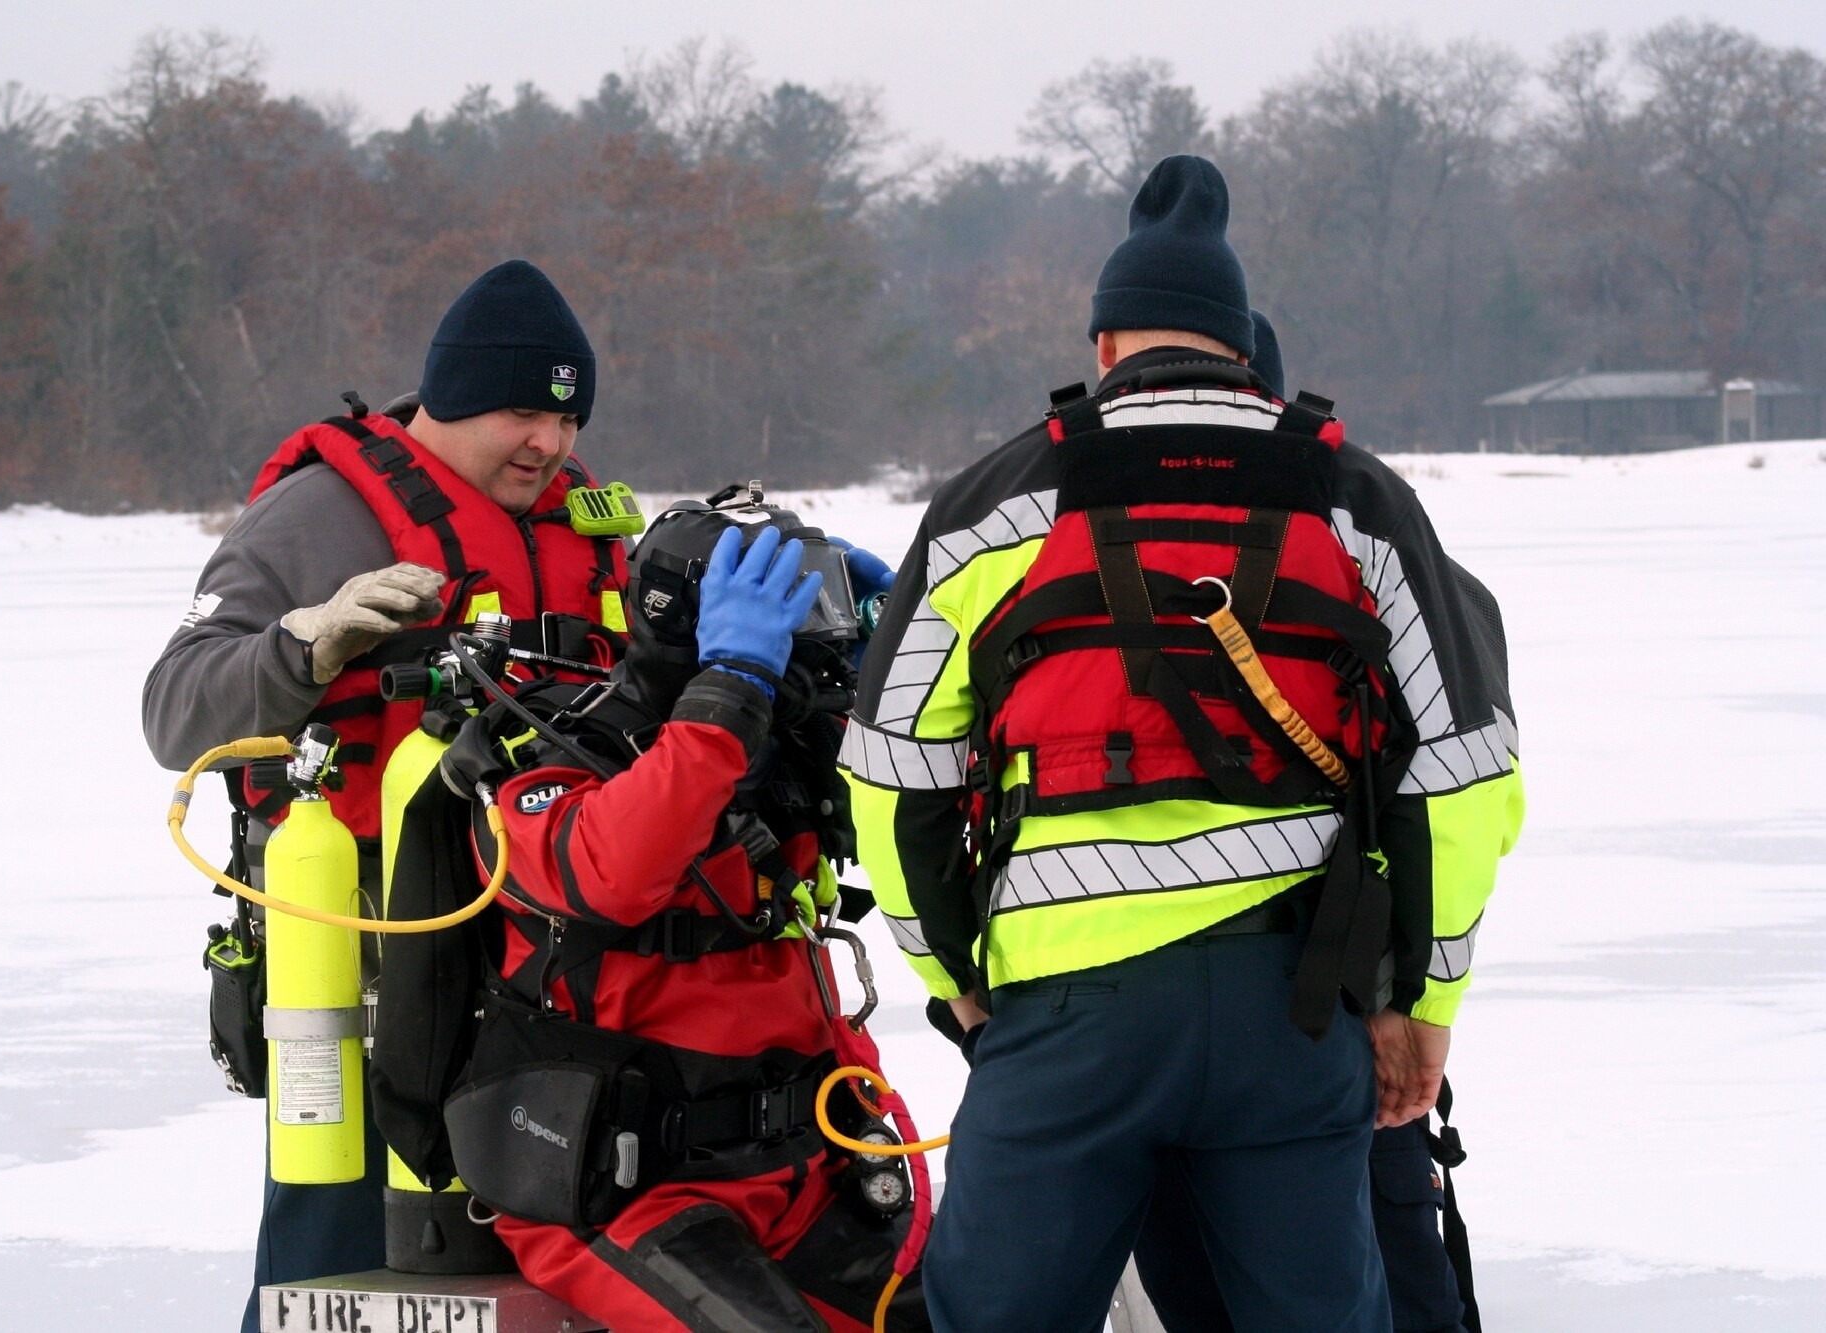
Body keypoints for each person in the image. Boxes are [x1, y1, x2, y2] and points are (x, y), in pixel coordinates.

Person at [841, 155, 1524, 1332]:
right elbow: (1459, 779)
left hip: (1063, 1020)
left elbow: (887, 771)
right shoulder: (1356, 499)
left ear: (1105, 345)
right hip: (1293, 1012)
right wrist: (1421, 999)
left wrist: (955, 983)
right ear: (1242, 354)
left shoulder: (995, 503)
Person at [142, 260, 630, 1332]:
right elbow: (173, 709)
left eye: (566, 416)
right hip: (360, 962)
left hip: (546, 969)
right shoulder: (318, 515)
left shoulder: (584, 523)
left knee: (545, 1271)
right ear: (451, 395)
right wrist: (303, 645)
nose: (548, 443)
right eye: (521, 412)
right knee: (333, 1273)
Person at [369, 492, 927, 1331]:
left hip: (801, 1167)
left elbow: (955, 787)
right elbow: (611, 872)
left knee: (977, 1304)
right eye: (786, 607)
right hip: (627, 1191)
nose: (810, 632)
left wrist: (900, 637)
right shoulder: (555, 754)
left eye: (817, 600)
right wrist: (729, 690)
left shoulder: (790, 751)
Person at [1128, 309, 1506, 1333]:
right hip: (1274, 1031)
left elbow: (1458, 800)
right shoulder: (1395, 560)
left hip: (1283, 1028)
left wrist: (1408, 1007)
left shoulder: (1392, 564)